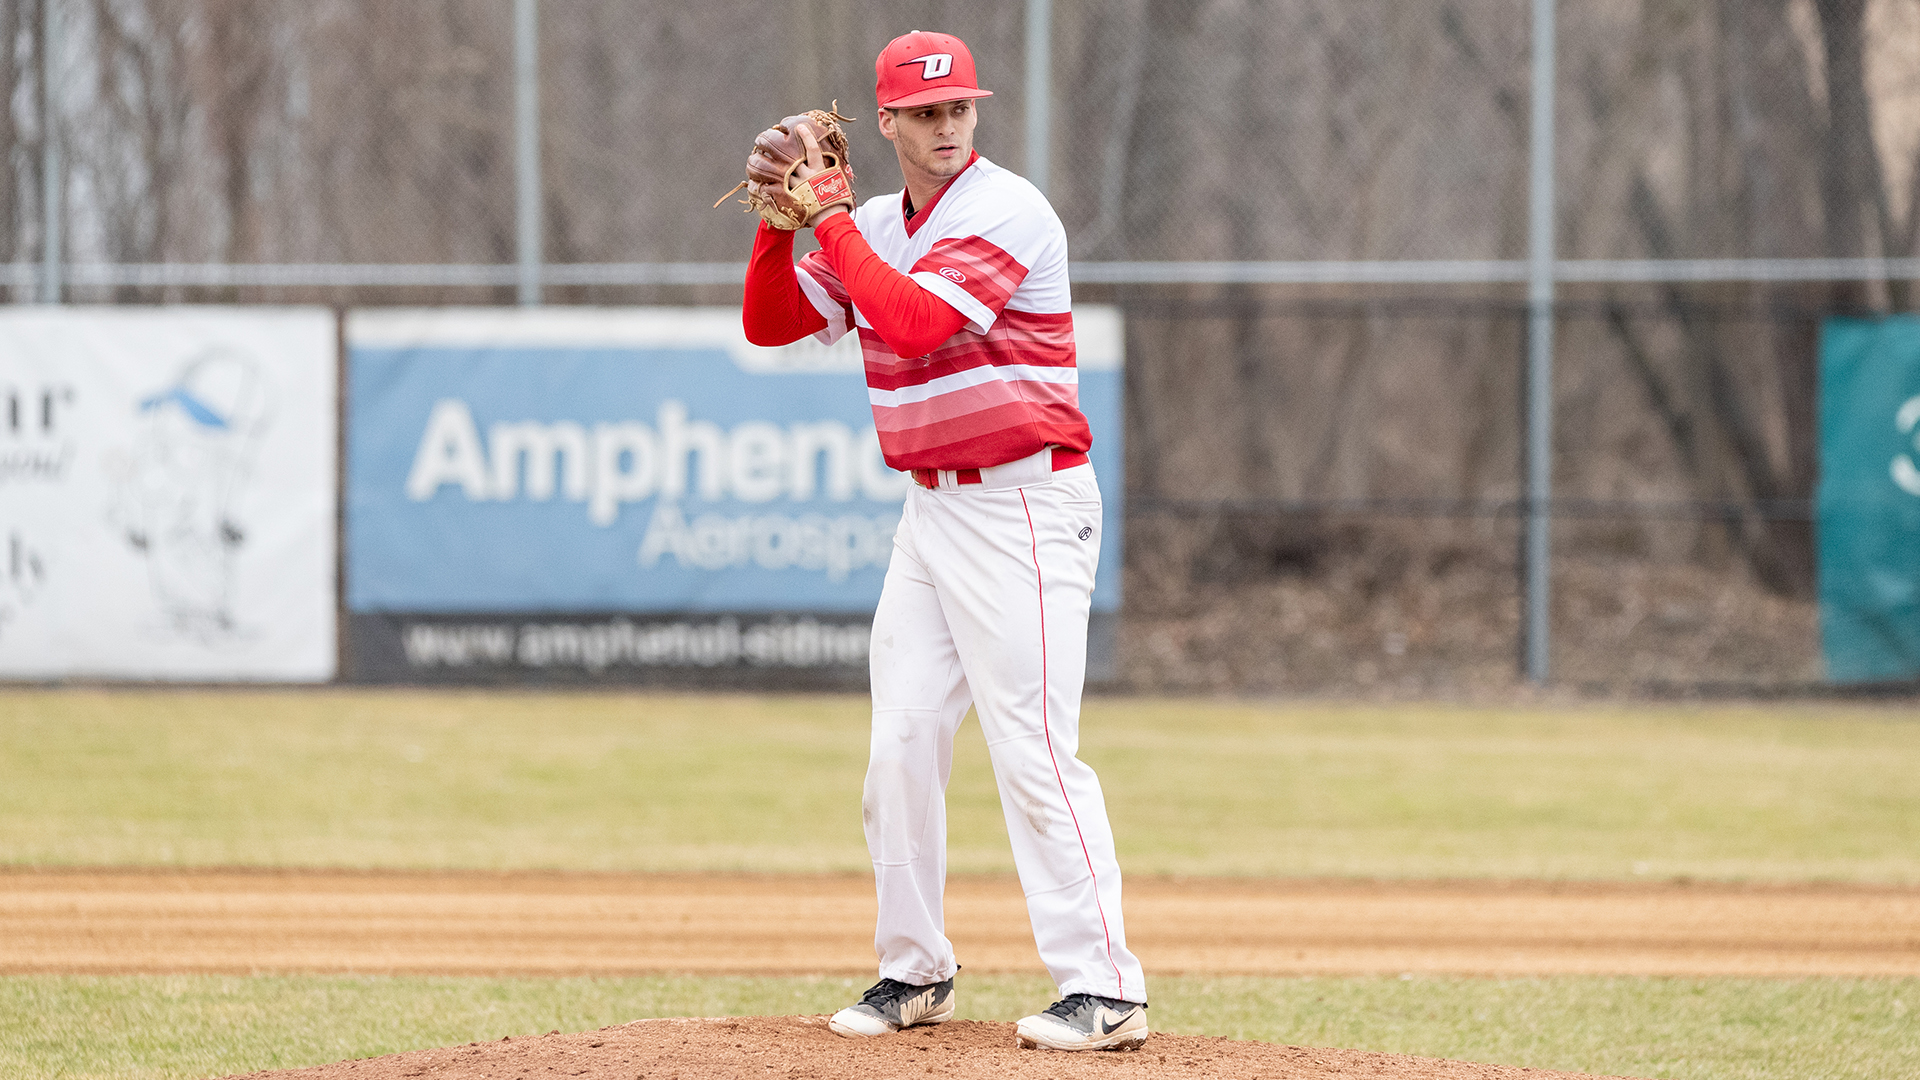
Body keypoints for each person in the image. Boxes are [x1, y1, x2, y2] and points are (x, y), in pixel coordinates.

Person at [737, 29, 1148, 1052]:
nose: (947, 123)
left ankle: (1106, 990)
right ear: (887, 124)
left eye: (959, 104)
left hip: (1025, 506)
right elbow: (771, 324)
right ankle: (913, 970)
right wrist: (776, 228)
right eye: (924, 112)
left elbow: (916, 323)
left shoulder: (1006, 209)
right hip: (933, 511)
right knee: (901, 743)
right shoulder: (872, 221)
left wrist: (829, 224)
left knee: (1034, 752)